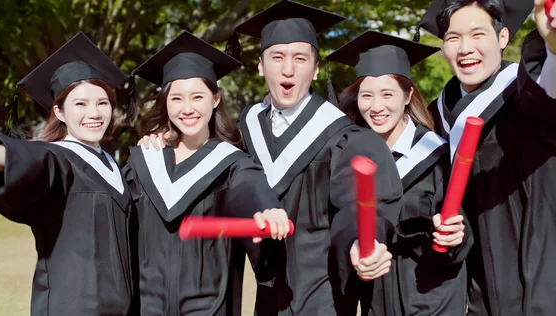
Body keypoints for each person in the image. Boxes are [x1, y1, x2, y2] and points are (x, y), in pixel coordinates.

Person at [224, 1, 403, 315]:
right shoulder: (245, 130)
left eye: (300, 58)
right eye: (277, 57)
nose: (288, 69)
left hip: (326, 302)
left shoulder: (343, 137)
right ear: (260, 66)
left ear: (316, 68)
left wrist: (362, 241)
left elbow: (357, 205)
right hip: (266, 301)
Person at [0, 32, 134, 316]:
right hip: (74, 307)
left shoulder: (112, 165)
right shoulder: (57, 157)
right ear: (59, 112)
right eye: (80, 103)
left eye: (103, 102)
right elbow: (25, 159)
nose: (95, 112)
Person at [124, 31, 292, 316]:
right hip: (146, 308)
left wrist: (268, 209)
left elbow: (251, 188)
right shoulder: (143, 163)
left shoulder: (231, 164)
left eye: (197, 97)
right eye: (176, 98)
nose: (187, 108)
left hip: (209, 309)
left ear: (215, 98)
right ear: (165, 103)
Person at [417, 0, 556, 315]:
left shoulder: (526, 92)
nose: (465, 48)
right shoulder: (436, 117)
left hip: (537, 276)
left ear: (503, 38)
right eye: (453, 38)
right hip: (476, 291)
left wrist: (553, 46)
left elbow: (550, 95)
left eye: (478, 34)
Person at [328, 30, 473, 316]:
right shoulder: (349, 159)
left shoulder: (438, 155)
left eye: (387, 94)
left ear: (407, 95)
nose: (376, 107)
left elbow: (467, 228)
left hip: (435, 301)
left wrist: (457, 236)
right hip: (377, 303)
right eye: (366, 95)